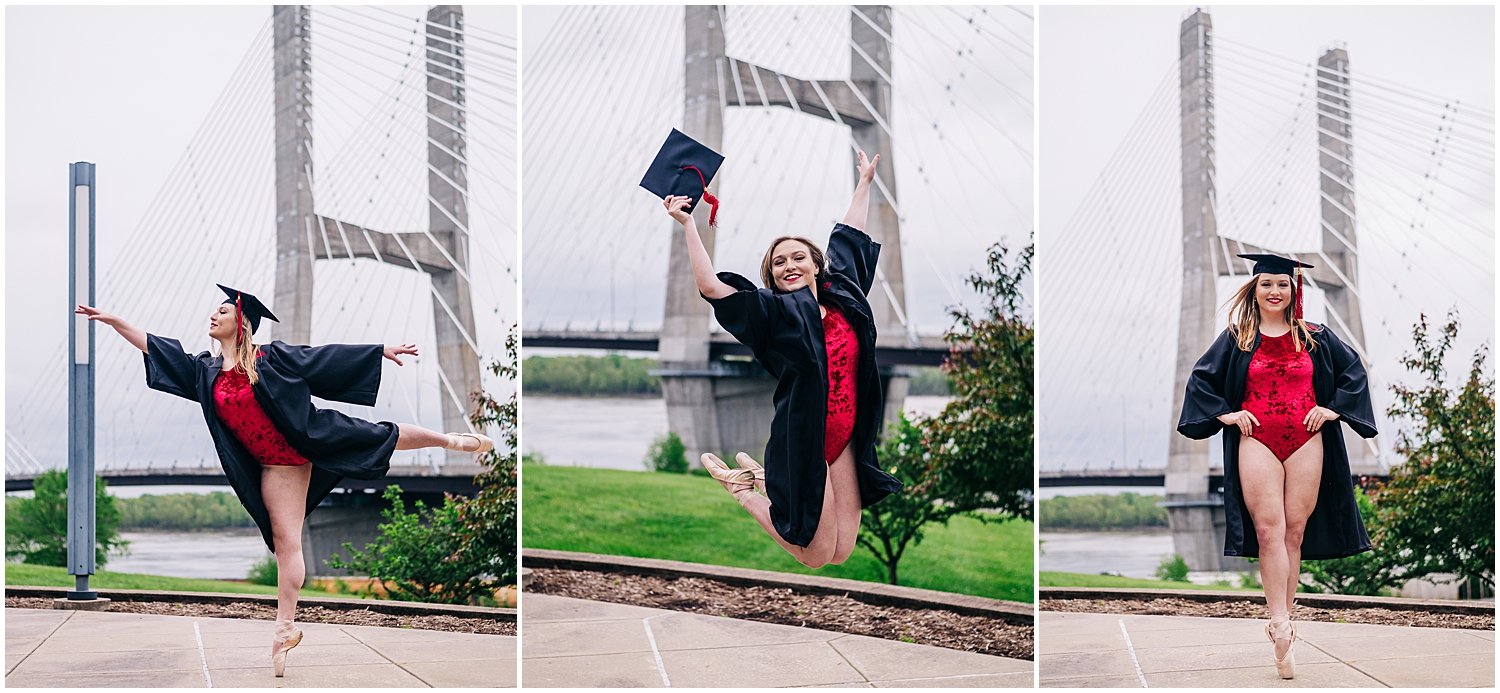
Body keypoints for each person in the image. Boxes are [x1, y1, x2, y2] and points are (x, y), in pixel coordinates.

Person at [76, 286, 493, 677]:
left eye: (222, 310)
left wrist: (379, 350)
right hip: (277, 467)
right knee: (284, 542)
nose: (212, 314)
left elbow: (320, 359)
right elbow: (157, 347)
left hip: (311, 436)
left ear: (242, 323)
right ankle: (283, 632)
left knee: (381, 435)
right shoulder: (204, 373)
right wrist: (115, 322)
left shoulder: (268, 358)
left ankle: (451, 439)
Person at [663, 148, 902, 569]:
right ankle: (745, 492)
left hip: (846, 434)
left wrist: (864, 184)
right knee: (813, 554)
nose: (789, 265)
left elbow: (849, 234)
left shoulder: (843, 295)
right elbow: (711, 286)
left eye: (797, 257)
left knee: (842, 550)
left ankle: (762, 483)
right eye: (778, 263)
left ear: (815, 265)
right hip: (804, 436)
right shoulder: (772, 312)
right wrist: (688, 225)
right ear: (771, 276)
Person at [1176, 254, 1377, 680]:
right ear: (1254, 289)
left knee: (1294, 531)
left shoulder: (1315, 336)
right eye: (1266, 284)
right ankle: (1280, 624)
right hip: (1257, 439)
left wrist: (1333, 409)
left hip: (1306, 437)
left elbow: (1354, 372)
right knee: (1268, 529)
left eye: (1282, 284)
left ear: (1294, 289)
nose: (1274, 291)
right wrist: (1226, 415)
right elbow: (1201, 379)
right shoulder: (1237, 338)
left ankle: (1285, 617)